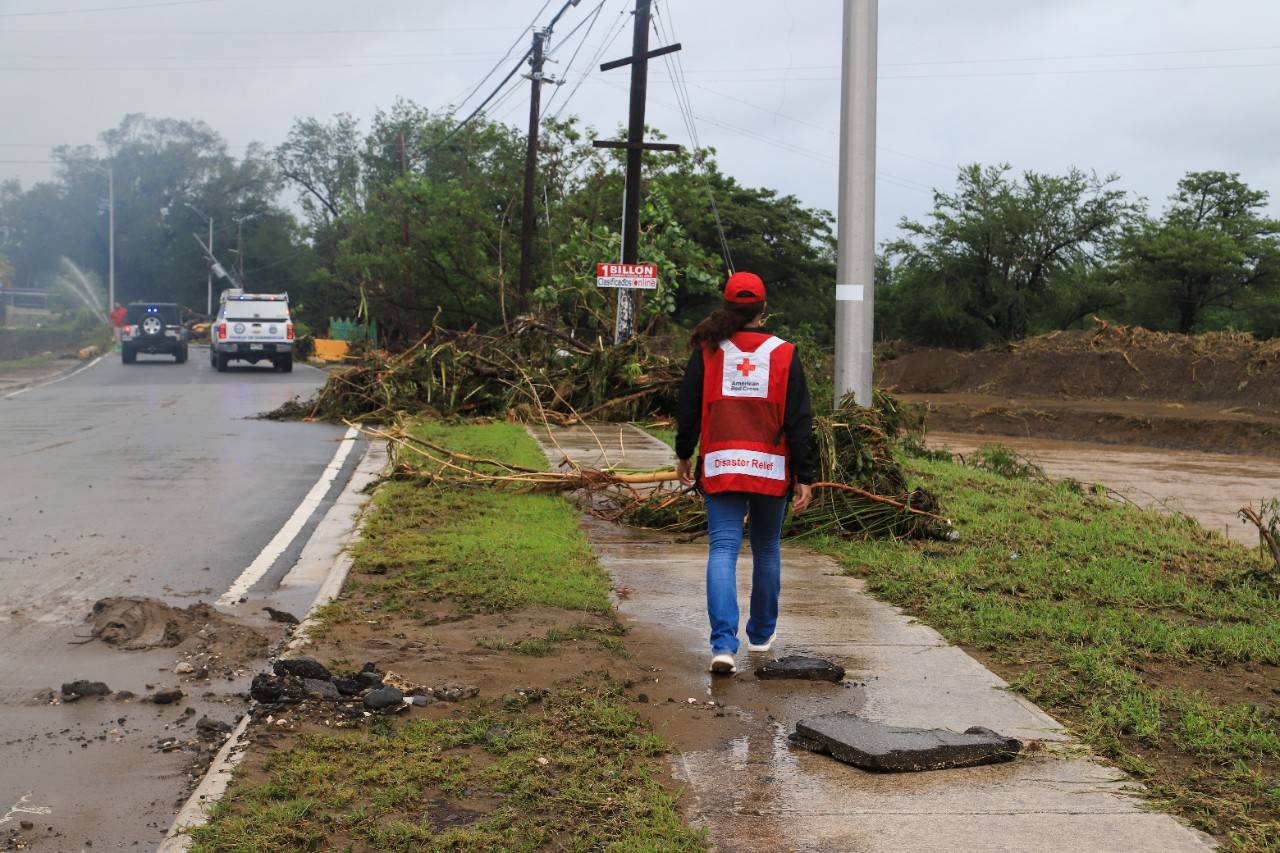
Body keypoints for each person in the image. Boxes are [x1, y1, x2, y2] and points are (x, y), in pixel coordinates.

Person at [675, 271, 815, 675]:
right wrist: (804, 475)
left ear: (726, 306)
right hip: (771, 469)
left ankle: (722, 645)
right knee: (767, 548)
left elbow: (688, 408)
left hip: (720, 465)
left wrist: (685, 453)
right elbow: (799, 420)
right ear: (763, 309)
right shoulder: (784, 352)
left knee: (722, 550)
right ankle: (760, 636)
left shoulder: (708, 350)